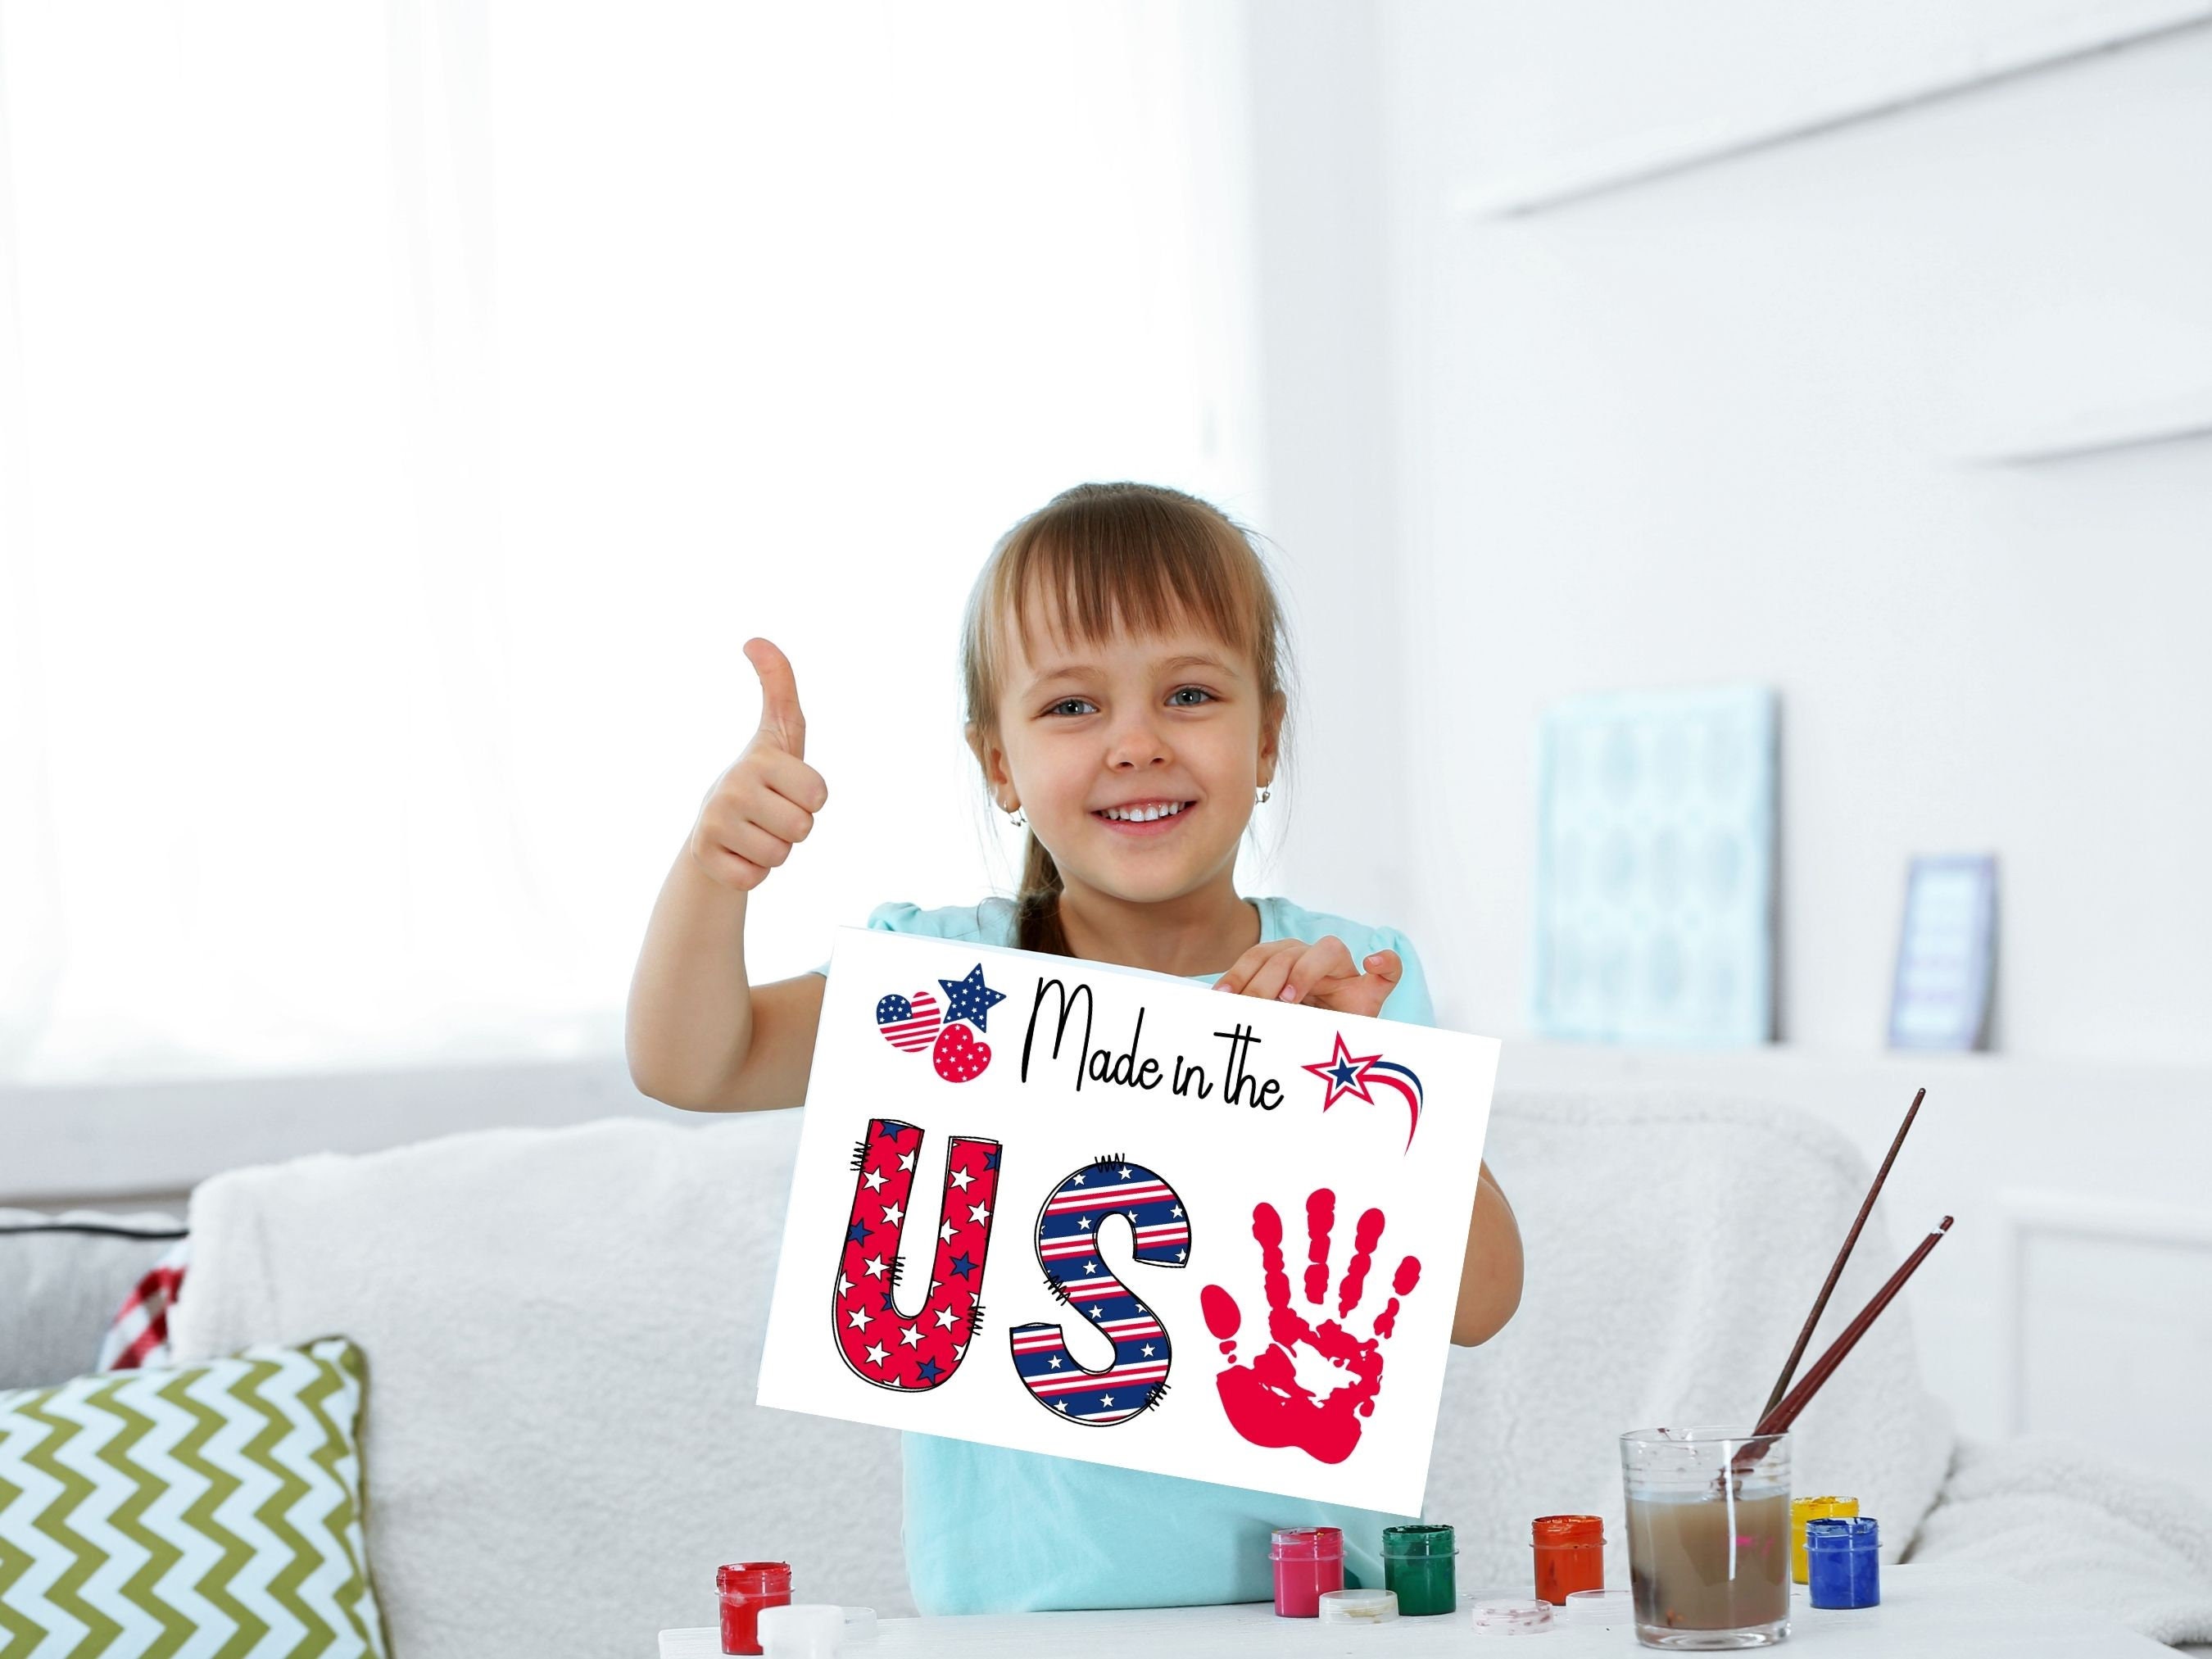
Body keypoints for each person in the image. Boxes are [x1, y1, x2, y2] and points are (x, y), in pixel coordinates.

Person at [626, 480, 1523, 1613]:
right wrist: (714, 872)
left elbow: (1479, 1305)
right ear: (999, 763)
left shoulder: (1349, 978)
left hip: (1315, 1617)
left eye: (1188, 694)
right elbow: (693, 1063)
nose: (1136, 744)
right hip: (1020, 1628)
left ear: (1266, 738)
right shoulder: (946, 982)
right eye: (1071, 707)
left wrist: (1356, 1099)